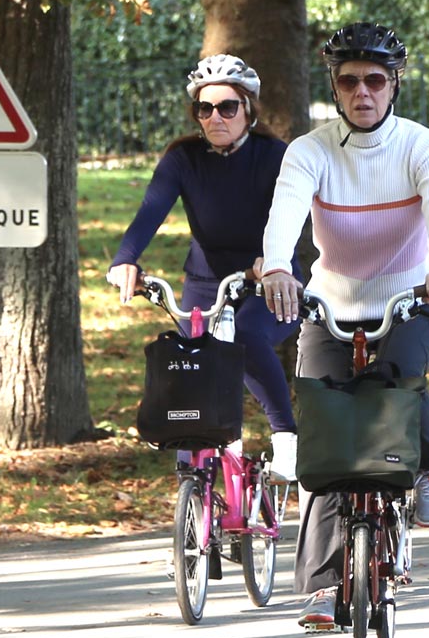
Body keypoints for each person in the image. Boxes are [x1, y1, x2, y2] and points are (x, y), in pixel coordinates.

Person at [258, 22, 429, 632]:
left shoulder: (423, 146)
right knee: (324, 434)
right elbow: (285, 215)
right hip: (330, 302)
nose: (362, 92)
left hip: (411, 295)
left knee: (400, 375)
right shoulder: (310, 150)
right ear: (335, 86)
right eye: (348, 81)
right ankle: (322, 590)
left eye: (375, 80)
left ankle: (426, 467)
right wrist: (276, 267)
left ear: (394, 84)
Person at [109, 53, 299, 478]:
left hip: (268, 281)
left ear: (248, 111)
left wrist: (274, 260)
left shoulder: (275, 156)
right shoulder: (183, 158)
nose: (216, 117)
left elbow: (294, 213)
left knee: (246, 337)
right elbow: (149, 214)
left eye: (228, 107)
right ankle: (193, 477)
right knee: (191, 359)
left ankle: (287, 439)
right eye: (204, 107)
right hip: (204, 282)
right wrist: (126, 260)